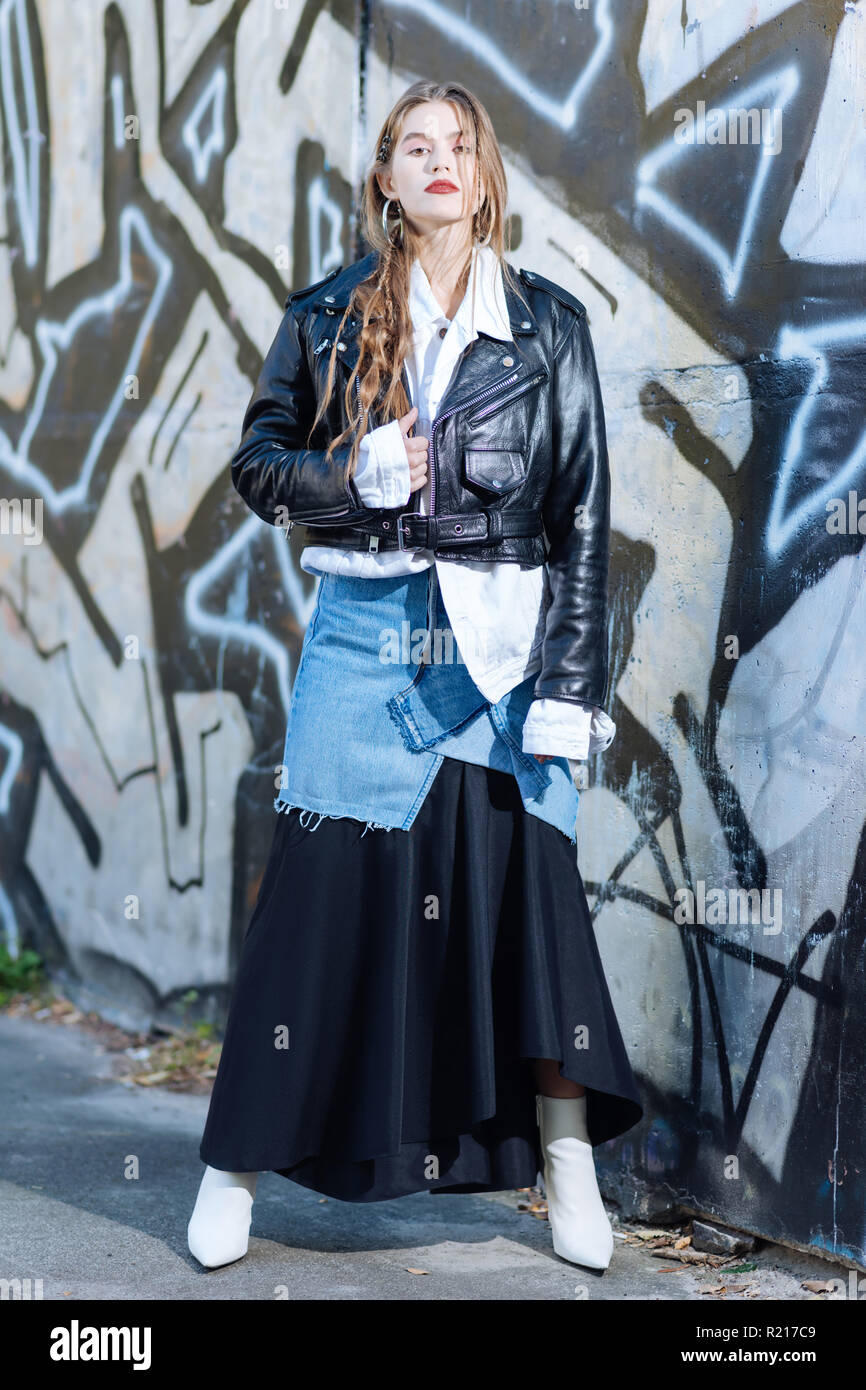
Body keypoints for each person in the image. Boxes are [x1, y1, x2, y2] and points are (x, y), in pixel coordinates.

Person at [188, 78, 642, 1274]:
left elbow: (583, 516)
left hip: (500, 644)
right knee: (314, 904)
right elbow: (259, 465)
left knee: (528, 902)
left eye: (459, 147)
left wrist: (570, 682)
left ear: (484, 177)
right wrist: (355, 476)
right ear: (383, 177)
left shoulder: (549, 327)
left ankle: (565, 1165)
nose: (438, 162)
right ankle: (230, 1167)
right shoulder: (327, 313)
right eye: (413, 147)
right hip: (363, 637)